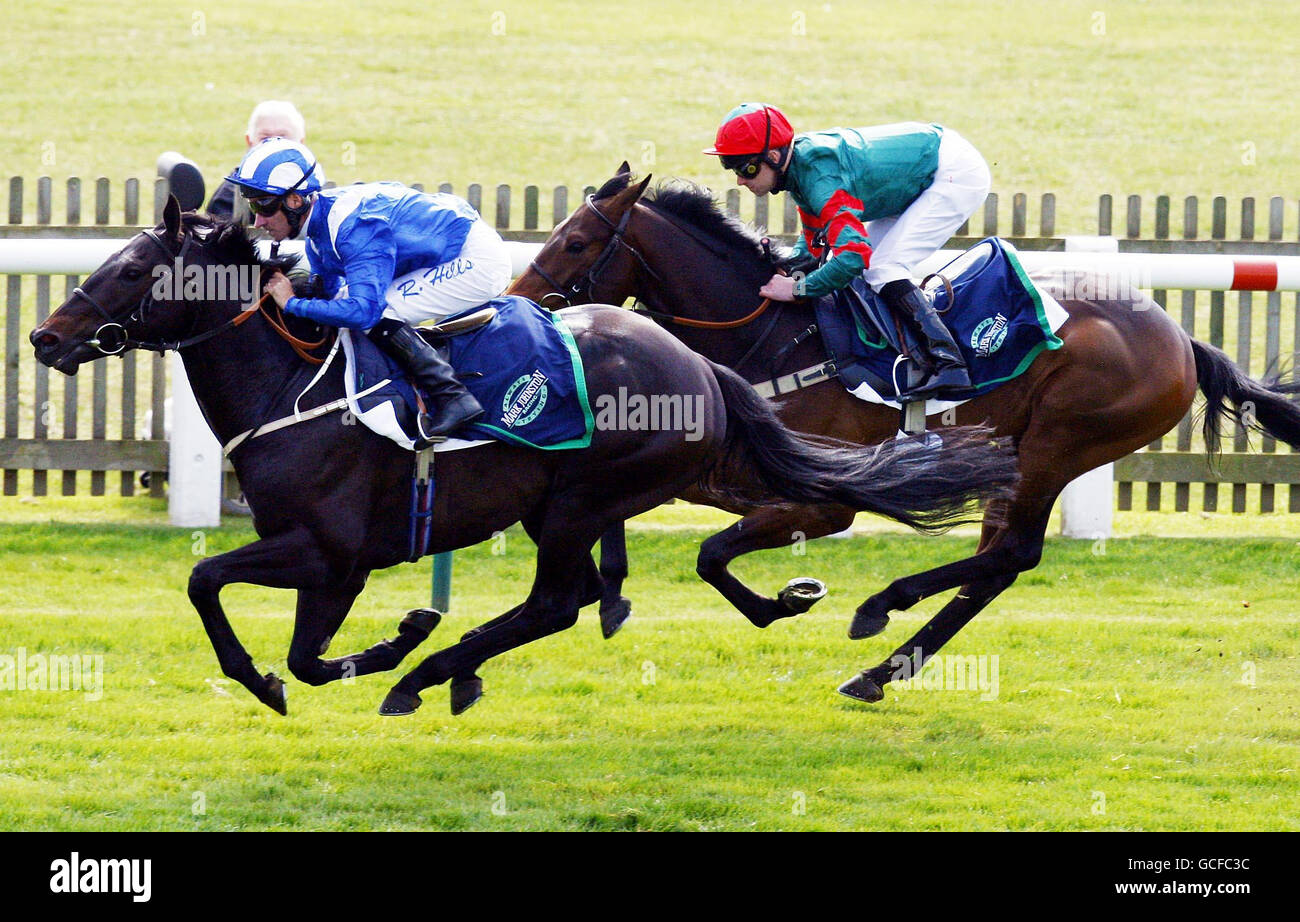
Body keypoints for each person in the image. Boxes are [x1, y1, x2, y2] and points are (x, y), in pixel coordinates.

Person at [227, 138, 513, 445]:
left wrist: (293, 304)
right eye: (252, 205)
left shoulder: (350, 228)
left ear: (295, 200)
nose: (258, 220)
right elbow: (330, 292)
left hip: (475, 259)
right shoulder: (317, 233)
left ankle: (453, 398)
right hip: (448, 244)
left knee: (382, 310)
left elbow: (364, 310)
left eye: (263, 205)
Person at [703, 103, 991, 398]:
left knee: (882, 267)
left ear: (773, 157)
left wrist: (798, 289)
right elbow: (815, 240)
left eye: (745, 168)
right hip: (919, 170)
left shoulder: (818, 179)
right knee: (874, 267)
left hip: (953, 174)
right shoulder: (798, 168)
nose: (740, 179)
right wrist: (791, 269)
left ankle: (950, 364)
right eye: (731, 168)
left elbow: (853, 256)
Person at [207, 100, 309, 223]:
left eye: (283, 138)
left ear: (301, 143)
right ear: (249, 142)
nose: (274, 146)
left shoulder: (316, 192)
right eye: (265, 138)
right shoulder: (227, 201)